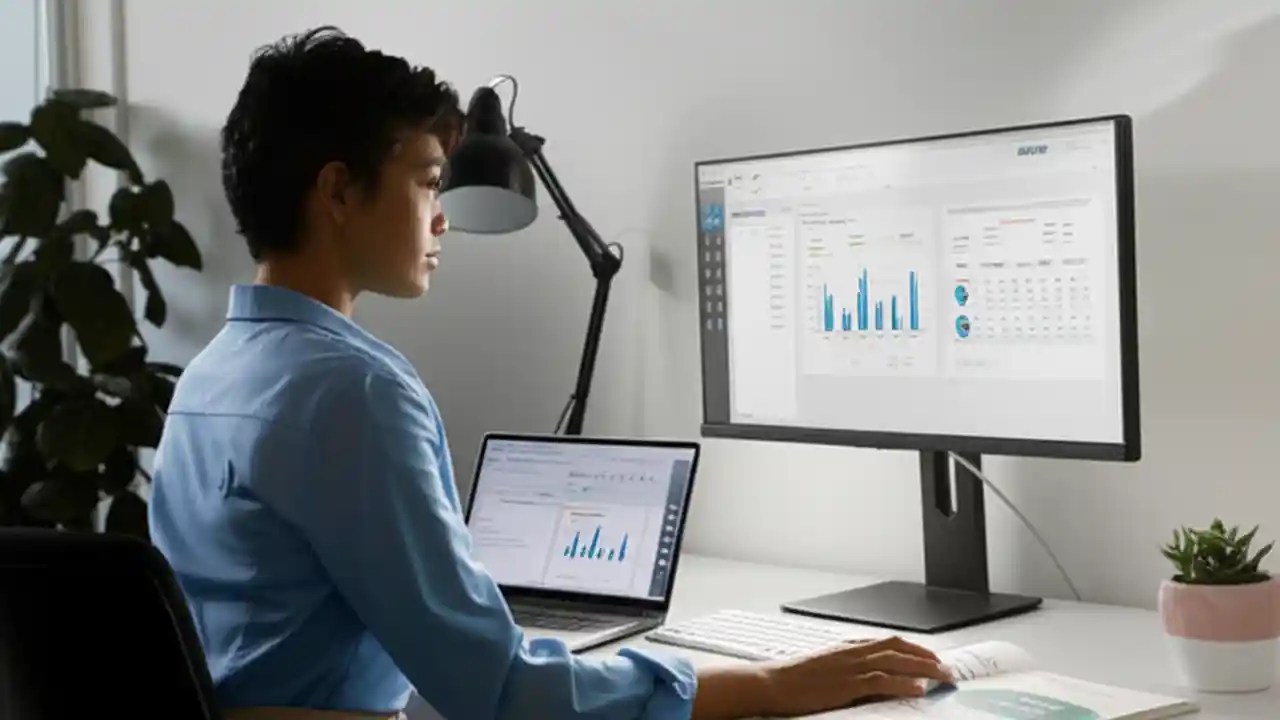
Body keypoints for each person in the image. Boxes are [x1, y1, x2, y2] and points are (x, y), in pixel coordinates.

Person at [149, 27, 952, 720]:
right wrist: (767, 683)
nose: (442, 217)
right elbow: (503, 694)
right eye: (429, 180)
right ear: (338, 190)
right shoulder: (355, 391)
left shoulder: (209, 379)